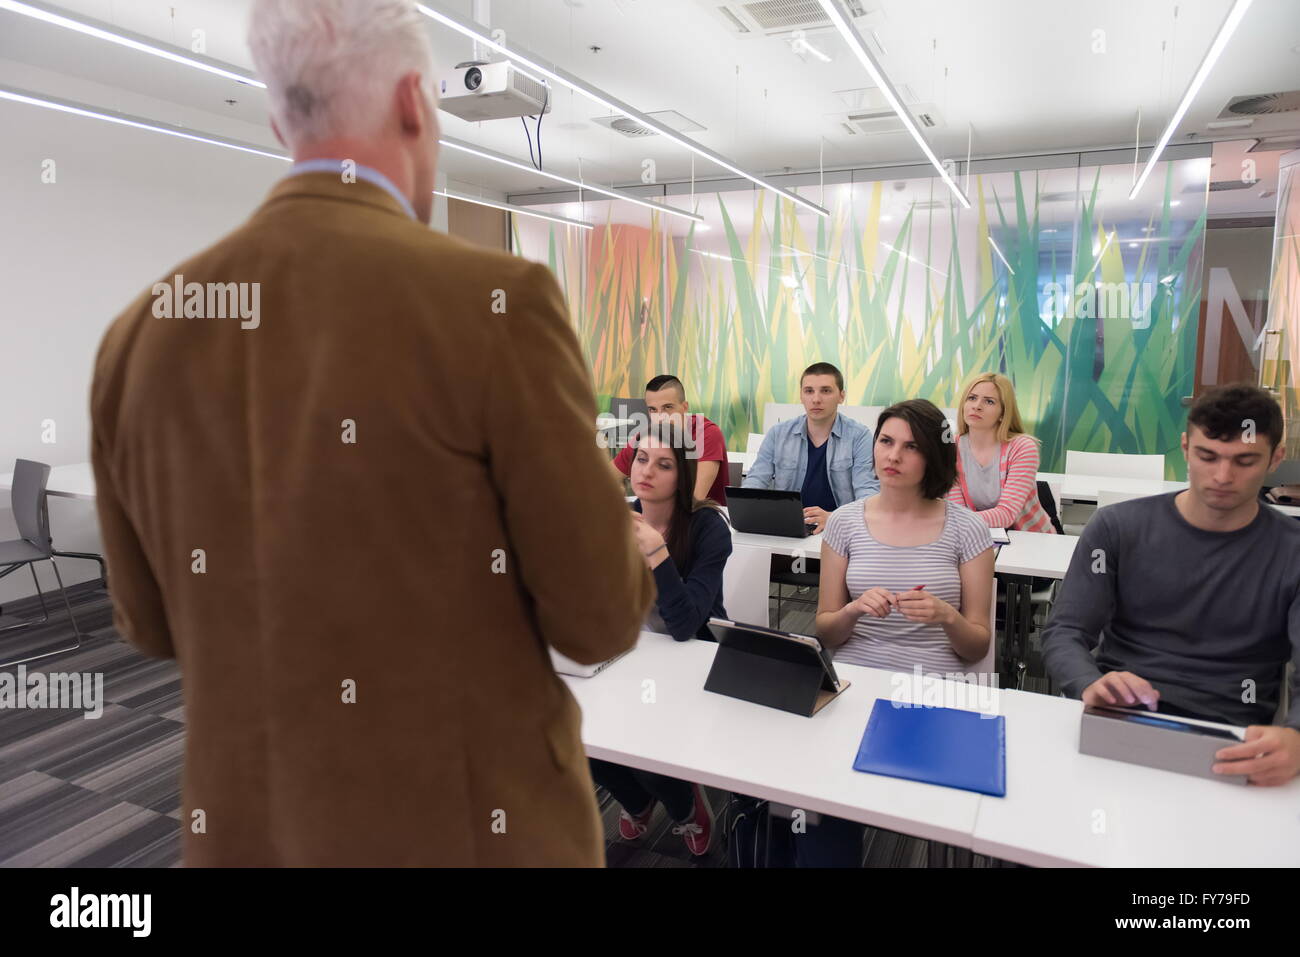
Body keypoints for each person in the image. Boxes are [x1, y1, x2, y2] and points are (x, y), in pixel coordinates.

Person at [89, 0, 653, 867]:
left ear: (279, 119)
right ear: (413, 104)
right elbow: (600, 619)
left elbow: (152, 624)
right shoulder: (497, 304)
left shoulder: (138, 336)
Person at [1042, 385, 1300, 786]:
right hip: (1120, 720)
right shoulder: (1117, 528)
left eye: (1245, 461)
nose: (1222, 476)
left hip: (1233, 740)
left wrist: (1296, 736)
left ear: (1276, 458)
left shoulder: (1291, 551)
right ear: (1185, 446)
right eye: (1206, 456)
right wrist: (1089, 682)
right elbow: (1065, 631)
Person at [802, 399, 995, 866]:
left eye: (910, 447)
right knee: (813, 802)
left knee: (915, 797)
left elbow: (978, 645)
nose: (893, 456)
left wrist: (947, 616)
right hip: (852, 684)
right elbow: (825, 632)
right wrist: (851, 610)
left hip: (934, 690)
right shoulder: (844, 522)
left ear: (932, 457)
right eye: (885, 442)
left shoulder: (967, 529)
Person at [590, 422, 732, 856]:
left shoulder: (708, 527)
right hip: (627, 655)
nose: (646, 471)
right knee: (584, 742)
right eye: (642, 459)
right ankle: (636, 803)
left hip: (692, 659)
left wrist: (656, 552)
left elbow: (686, 625)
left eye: (664, 464)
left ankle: (687, 810)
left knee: (647, 755)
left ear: (684, 474)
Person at [743, 362, 879, 533]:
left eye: (826, 391)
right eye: (809, 391)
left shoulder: (860, 436)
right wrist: (745, 507)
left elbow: (868, 493)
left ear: (841, 396)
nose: (816, 399)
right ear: (801, 396)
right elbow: (756, 480)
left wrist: (835, 518)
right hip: (788, 527)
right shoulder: (778, 434)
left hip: (840, 529)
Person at [946, 372, 1056, 533]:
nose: (977, 406)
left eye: (989, 401)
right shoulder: (950, 448)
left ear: (1003, 413)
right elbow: (957, 510)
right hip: (976, 537)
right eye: (972, 398)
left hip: (1030, 542)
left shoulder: (1023, 447)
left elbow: (1007, 513)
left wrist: (958, 522)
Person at [609, 375, 730, 505]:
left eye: (667, 407)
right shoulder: (644, 437)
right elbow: (604, 478)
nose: (660, 417)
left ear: (684, 407)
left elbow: (694, 500)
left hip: (702, 519)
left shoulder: (706, 434)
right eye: (653, 410)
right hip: (656, 518)